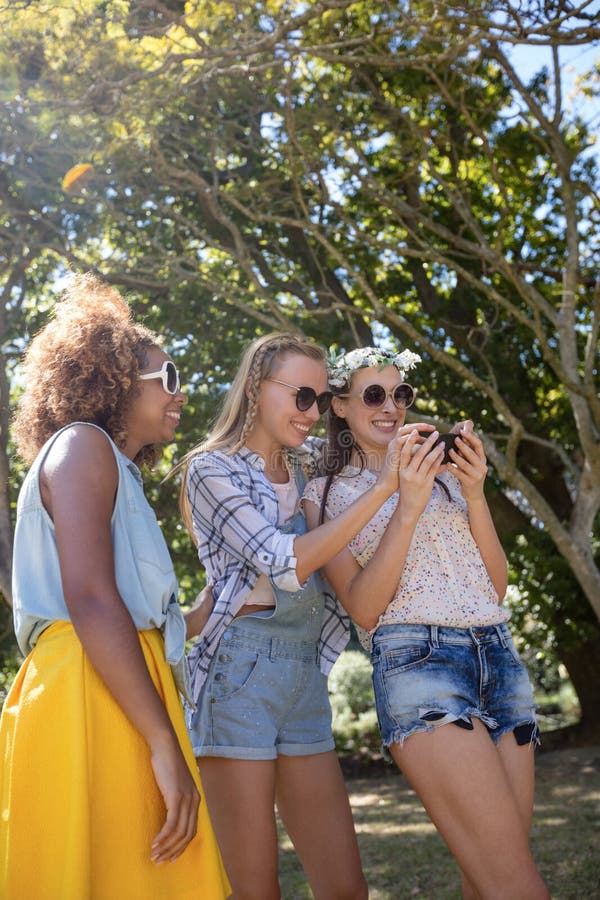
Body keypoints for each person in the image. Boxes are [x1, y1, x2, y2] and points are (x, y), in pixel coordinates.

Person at [0, 274, 230, 899]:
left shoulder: (112, 467)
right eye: (169, 377)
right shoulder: (83, 445)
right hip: (88, 689)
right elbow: (92, 599)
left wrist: (215, 605)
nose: (181, 394)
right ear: (115, 381)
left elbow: (136, 615)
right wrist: (163, 744)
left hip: (121, 685)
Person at [303, 346, 550, 900]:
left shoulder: (438, 477)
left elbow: (496, 585)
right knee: (519, 887)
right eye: (373, 394)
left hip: (499, 659)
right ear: (339, 405)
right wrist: (404, 504)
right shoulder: (324, 496)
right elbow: (364, 609)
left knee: (488, 879)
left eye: (400, 394)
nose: (390, 406)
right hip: (421, 667)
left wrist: (474, 492)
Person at [178, 332, 413, 900]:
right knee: (256, 890)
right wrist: (385, 489)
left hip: (305, 675)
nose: (312, 413)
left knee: (345, 888)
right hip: (240, 678)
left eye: (319, 398)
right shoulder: (211, 471)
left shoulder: (310, 470)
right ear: (258, 391)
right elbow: (282, 560)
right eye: (300, 397)